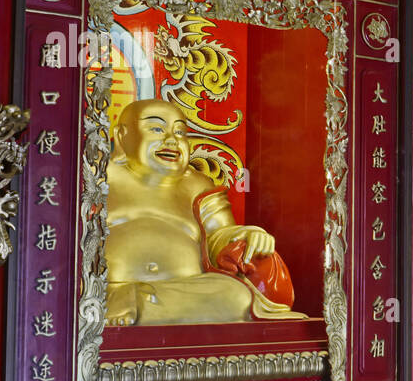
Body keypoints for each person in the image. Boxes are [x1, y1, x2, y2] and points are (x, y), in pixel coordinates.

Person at [106, 98, 305, 324]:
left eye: (180, 132)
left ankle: (138, 303)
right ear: (122, 136)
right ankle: (123, 300)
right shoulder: (99, 178)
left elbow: (219, 237)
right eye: (157, 129)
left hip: (183, 289)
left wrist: (248, 235)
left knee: (236, 295)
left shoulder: (197, 185)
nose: (171, 140)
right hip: (110, 286)